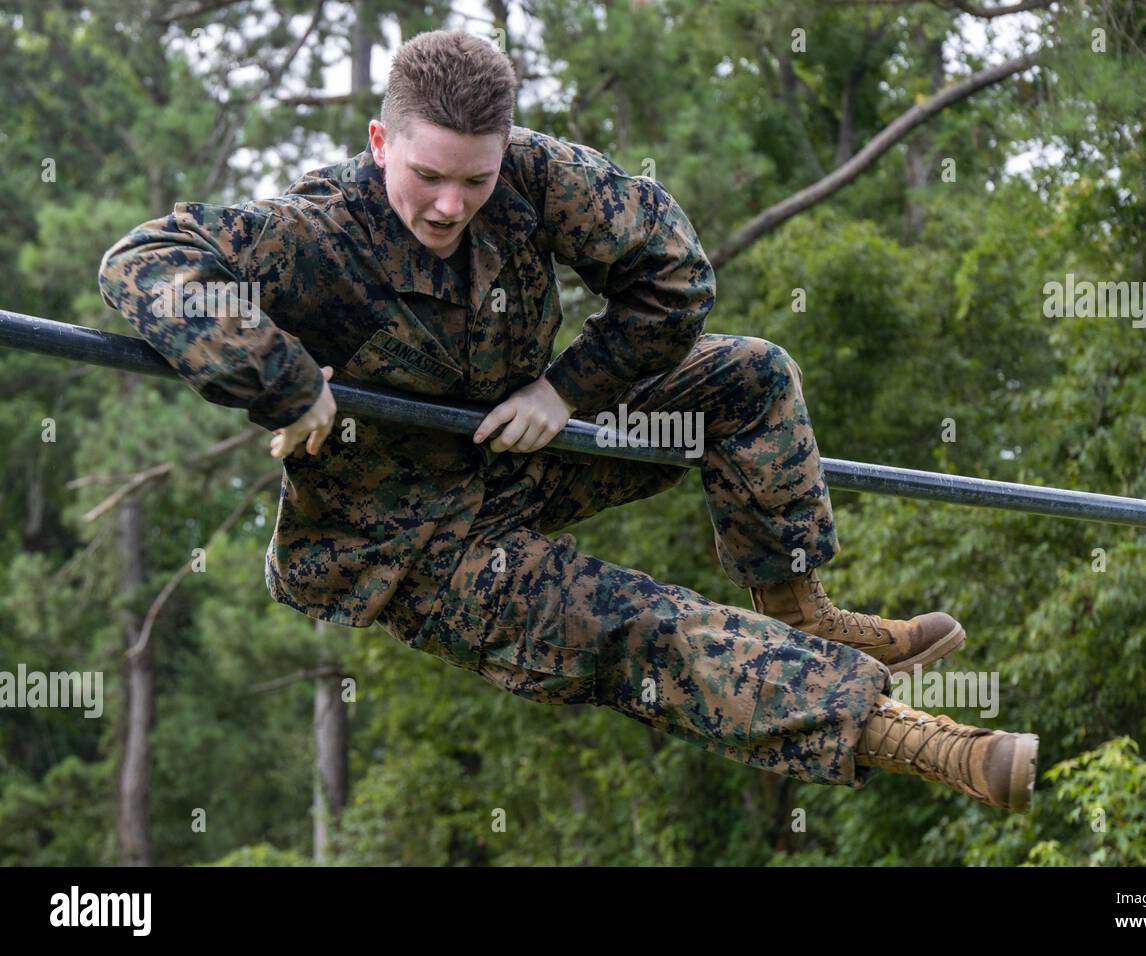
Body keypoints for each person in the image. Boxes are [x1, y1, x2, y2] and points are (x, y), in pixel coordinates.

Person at [98, 29, 1038, 811]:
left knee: (749, 377)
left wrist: (567, 390)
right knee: (651, 630)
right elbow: (143, 261)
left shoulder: (536, 177)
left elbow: (674, 275)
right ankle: (941, 748)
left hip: (524, 452)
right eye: (427, 176)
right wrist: (285, 380)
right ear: (381, 143)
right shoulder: (315, 232)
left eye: (475, 180)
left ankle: (803, 612)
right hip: (415, 547)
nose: (451, 204)